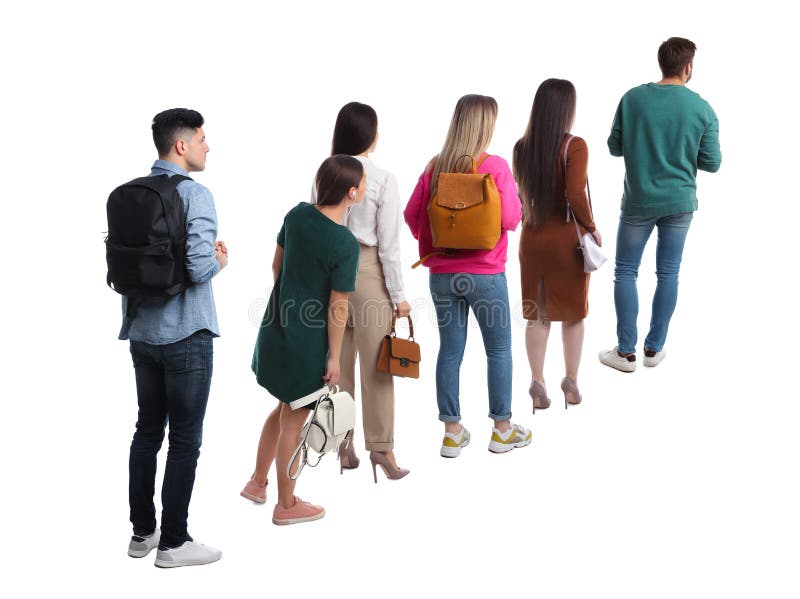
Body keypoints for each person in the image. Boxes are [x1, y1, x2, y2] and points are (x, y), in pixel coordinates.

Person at [121, 108, 226, 567]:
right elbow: (199, 268)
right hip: (186, 333)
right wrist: (220, 261)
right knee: (185, 440)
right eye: (201, 139)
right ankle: (174, 542)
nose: (207, 146)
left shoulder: (130, 192)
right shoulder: (195, 194)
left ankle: (142, 533)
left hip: (142, 332)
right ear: (181, 145)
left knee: (147, 431)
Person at [404, 94, 530, 457]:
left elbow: (412, 216)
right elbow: (511, 219)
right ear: (485, 126)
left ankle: (452, 432)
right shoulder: (495, 166)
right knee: (499, 350)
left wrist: (441, 240)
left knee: (450, 351)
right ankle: (502, 430)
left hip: (442, 275)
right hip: (486, 274)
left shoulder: (435, 166)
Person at [242, 155, 365, 524]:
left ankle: (257, 483)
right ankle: (287, 504)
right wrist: (335, 357)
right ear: (352, 192)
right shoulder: (344, 243)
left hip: (276, 329)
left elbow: (276, 266)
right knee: (294, 420)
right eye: (363, 183)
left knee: (285, 408)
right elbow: (338, 307)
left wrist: (290, 299)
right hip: (307, 343)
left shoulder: (296, 215)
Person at [599, 37, 721, 372]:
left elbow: (614, 147)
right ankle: (654, 350)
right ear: (688, 67)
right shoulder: (702, 108)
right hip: (680, 202)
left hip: (638, 201)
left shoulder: (632, 99)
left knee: (626, 271)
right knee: (668, 273)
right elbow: (712, 163)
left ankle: (626, 353)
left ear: (661, 63)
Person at [313, 102, 411, 482]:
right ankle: (382, 450)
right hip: (369, 273)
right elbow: (389, 246)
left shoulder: (325, 172)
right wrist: (399, 296)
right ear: (372, 135)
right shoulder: (383, 178)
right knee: (378, 368)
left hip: (330, 274)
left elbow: (318, 225)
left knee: (337, 365)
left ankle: (344, 445)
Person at [513, 79, 602, 410]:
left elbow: (521, 198)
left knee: (537, 315)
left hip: (532, 239)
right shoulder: (575, 146)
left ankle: (537, 380)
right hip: (566, 242)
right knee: (573, 314)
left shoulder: (521, 147)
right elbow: (576, 194)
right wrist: (591, 227)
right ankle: (571, 381)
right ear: (566, 109)